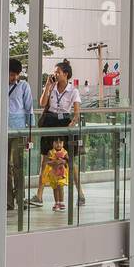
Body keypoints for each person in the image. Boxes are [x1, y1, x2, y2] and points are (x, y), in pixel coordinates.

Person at [35, 59, 84, 207]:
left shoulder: (73, 90)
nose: (55, 74)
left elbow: (76, 112)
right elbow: (42, 103)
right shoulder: (52, 87)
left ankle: (80, 193)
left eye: (58, 72)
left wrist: (72, 124)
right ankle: (39, 195)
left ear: (66, 74)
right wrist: (47, 86)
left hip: (64, 123)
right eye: (54, 72)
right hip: (50, 121)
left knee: (70, 159)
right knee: (45, 160)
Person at [5, 59, 33, 212]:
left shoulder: (23, 86)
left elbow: (29, 108)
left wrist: (30, 132)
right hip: (2, 129)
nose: (12, 77)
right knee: (4, 166)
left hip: (19, 130)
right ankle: (8, 200)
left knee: (18, 165)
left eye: (14, 74)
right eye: (10, 74)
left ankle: (20, 198)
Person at [40, 136, 70, 212]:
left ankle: (62, 202)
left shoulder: (65, 152)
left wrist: (63, 161)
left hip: (61, 174)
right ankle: (56, 202)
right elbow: (47, 162)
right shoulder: (50, 152)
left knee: (61, 186)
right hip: (53, 174)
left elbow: (67, 160)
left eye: (60, 142)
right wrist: (53, 162)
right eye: (56, 142)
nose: (58, 144)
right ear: (52, 143)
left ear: (63, 143)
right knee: (55, 188)